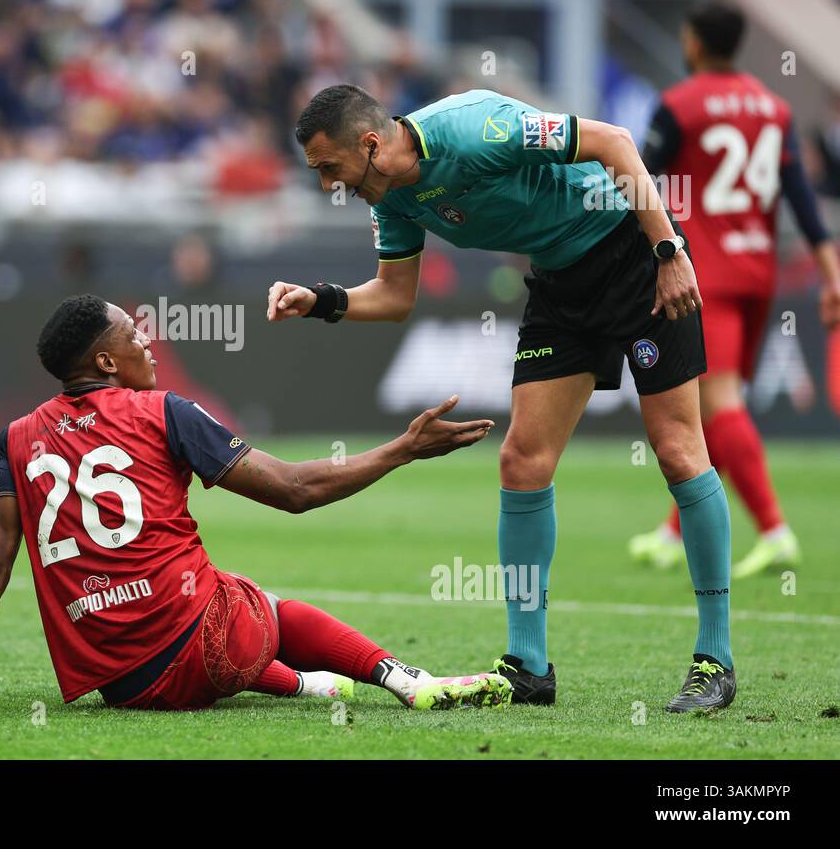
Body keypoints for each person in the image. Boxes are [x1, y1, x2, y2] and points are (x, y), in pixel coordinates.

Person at [267, 83, 736, 712]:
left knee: (678, 451)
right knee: (521, 461)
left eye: (331, 168)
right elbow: (395, 294)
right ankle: (528, 669)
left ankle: (716, 659)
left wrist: (668, 251)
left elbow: (613, 143)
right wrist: (321, 300)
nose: (331, 184)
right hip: (560, 284)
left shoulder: (474, 127)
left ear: (372, 145)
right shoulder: (393, 201)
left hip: (635, 256)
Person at [0, 295, 510, 712]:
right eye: (133, 334)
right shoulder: (164, 412)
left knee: (206, 609)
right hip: (204, 648)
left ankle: (306, 686)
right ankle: (410, 681)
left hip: (123, 684)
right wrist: (403, 449)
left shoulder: (16, 436)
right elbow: (294, 490)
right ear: (105, 363)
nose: (147, 340)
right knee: (258, 608)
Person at [628, 1, 840, 577]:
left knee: (717, 405)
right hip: (757, 274)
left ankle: (774, 530)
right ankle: (675, 533)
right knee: (717, 408)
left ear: (694, 42)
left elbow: (639, 182)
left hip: (704, 276)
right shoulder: (772, 107)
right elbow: (799, 195)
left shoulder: (678, 105)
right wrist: (830, 272)